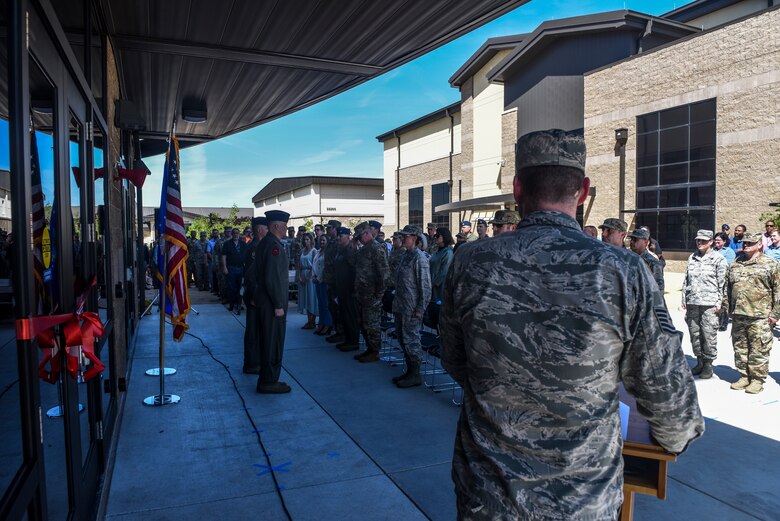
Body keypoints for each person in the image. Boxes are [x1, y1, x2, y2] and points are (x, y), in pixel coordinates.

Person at [439, 128, 703, 520]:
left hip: (489, 493)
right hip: (581, 498)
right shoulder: (623, 270)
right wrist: (676, 437)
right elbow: (663, 385)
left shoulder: (470, 261)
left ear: (517, 188)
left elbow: (453, 358)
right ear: (583, 191)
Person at [726, 232, 780, 394]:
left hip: (760, 315)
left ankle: (757, 380)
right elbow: (728, 288)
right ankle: (744, 376)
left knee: (759, 349)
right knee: (740, 348)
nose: (746, 245)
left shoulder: (771, 264)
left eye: (750, 243)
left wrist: (775, 314)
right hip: (738, 314)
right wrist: (728, 308)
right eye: (745, 242)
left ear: (760, 244)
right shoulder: (736, 264)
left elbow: (778, 290)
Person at [682, 230, 728, 379]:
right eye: (698, 240)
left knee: (708, 335)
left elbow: (723, 284)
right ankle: (699, 362)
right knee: (695, 334)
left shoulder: (718, 259)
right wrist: (684, 299)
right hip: (693, 302)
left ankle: (708, 364)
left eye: (703, 240)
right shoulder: (692, 257)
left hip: (710, 304)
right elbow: (687, 279)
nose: (699, 243)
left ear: (711, 242)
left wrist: (720, 303)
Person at [255, 210, 292, 394]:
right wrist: (278, 304)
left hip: (266, 301)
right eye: (284, 226)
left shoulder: (266, 243)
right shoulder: (273, 246)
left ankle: (268, 378)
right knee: (273, 342)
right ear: (276, 226)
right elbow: (272, 278)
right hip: (272, 304)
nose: (286, 229)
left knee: (269, 340)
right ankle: (269, 381)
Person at [391, 225, 431, 388]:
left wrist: (420, 309)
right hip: (401, 305)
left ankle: (415, 374)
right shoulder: (405, 255)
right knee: (402, 338)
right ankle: (409, 371)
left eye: (405, 236)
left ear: (414, 238)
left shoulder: (419, 258)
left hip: (412, 308)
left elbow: (425, 286)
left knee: (411, 340)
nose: (402, 239)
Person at [353, 222, 389, 363]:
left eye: (360, 237)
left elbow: (384, 274)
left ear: (367, 233)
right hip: (362, 294)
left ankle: (374, 351)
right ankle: (369, 349)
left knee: (372, 325)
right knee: (363, 323)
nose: (359, 239)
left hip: (372, 295)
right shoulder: (364, 249)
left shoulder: (376, 248)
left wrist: (378, 295)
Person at [242, 216, 268, 374]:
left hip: (257, 294)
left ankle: (255, 361)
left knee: (258, 330)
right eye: (266, 228)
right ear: (259, 230)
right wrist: (253, 296)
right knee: (253, 331)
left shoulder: (258, 246)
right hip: (255, 296)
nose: (268, 230)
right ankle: (252, 364)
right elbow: (251, 276)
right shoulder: (255, 247)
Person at [334, 227, 359, 352]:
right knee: (344, 315)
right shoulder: (341, 249)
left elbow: (354, 270)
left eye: (341, 236)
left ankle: (353, 341)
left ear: (348, 237)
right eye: (338, 236)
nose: (338, 238)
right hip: (341, 288)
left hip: (349, 289)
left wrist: (353, 288)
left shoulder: (350, 250)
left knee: (350, 315)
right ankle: (348, 339)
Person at [629, 228, 664, 292]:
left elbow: (659, 286)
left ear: (646, 242)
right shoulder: (627, 258)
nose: (631, 242)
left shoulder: (652, 262)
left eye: (635, 239)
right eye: (631, 239)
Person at [714, 232, 736, 331]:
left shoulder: (729, 251)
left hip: (724, 279)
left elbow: (728, 265)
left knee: (724, 301)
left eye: (719, 240)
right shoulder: (712, 250)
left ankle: (724, 322)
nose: (716, 242)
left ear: (724, 241)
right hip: (713, 280)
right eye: (715, 240)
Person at [222, 228, 247, 314]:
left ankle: (239, 304)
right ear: (232, 234)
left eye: (237, 233)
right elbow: (223, 256)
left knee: (240, 287)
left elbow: (246, 256)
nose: (236, 235)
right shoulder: (227, 244)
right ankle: (231, 305)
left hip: (241, 268)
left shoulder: (243, 244)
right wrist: (224, 267)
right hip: (231, 268)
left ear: (239, 234)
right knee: (231, 288)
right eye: (234, 233)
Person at [311, 234, 333, 335]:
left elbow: (326, 268)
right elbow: (314, 265)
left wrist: (318, 278)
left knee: (325, 304)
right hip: (317, 281)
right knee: (320, 303)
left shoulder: (328, 253)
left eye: (324, 240)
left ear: (327, 241)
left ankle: (327, 324)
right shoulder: (318, 252)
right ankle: (321, 323)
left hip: (324, 281)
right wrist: (313, 276)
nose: (321, 242)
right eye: (320, 240)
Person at [298, 233, 318, 329]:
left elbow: (314, 265)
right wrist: (299, 276)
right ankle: (308, 320)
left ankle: (313, 321)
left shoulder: (314, 251)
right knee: (305, 298)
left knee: (311, 297)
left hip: (310, 277)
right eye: (304, 240)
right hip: (303, 274)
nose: (305, 241)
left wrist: (307, 278)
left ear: (311, 240)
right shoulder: (302, 251)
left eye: (307, 239)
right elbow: (299, 265)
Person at [429, 227, 454, 304]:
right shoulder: (437, 251)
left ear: (444, 237)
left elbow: (444, 272)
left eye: (437, 236)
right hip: (431, 288)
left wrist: (433, 284)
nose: (435, 237)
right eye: (435, 236)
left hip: (440, 289)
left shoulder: (448, 253)